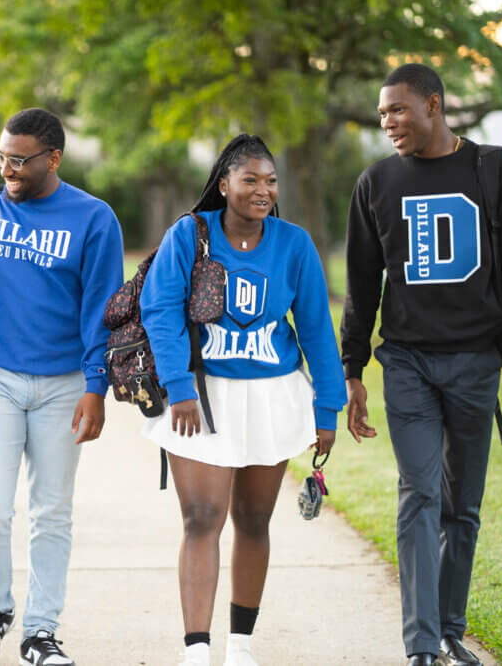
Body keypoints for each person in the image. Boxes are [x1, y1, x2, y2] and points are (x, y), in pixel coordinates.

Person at [340, 64, 502, 666]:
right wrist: (353, 371)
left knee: (463, 506)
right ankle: (421, 646)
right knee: (418, 495)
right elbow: (360, 287)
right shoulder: (375, 182)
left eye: (398, 110)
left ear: (434, 104)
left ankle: (451, 632)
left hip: (475, 362)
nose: (388, 123)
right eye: (382, 114)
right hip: (405, 363)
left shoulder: (491, 167)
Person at [140, 134, 346, 666]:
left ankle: (241, 646)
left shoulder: (294, 243)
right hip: (202, 396)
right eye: (250, 179)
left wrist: (328, 408)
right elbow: (159, 310)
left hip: (271, 396)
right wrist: (179, 388)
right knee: (201, 518)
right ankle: (196, 649)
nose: (263, 190)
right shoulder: (191, 233)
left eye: (271, 181)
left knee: (254, 520)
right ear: (224, 183)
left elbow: (318, 330)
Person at [0, 107, 124, 666]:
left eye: (19, 161)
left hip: (64, 384)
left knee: (51, 510)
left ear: (54, 159)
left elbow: (102, 308)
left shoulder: (94, 219)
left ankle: (41, 631)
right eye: (2, 158)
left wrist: (97, 385)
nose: (8, 170)